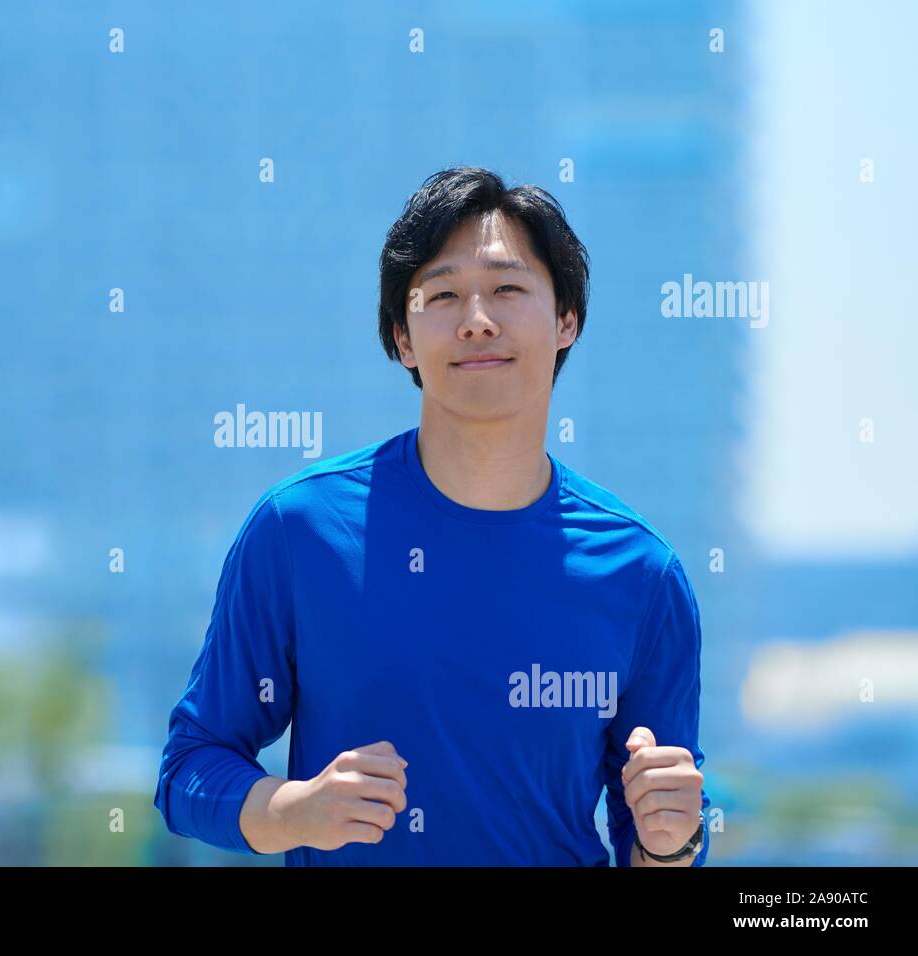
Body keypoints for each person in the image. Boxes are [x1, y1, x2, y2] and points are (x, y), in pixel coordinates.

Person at [153, 166, 710, 866]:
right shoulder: (300, 531)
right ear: (403, 339)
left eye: (509, 288)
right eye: (442, 295)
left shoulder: (643, 574)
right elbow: (188, 770)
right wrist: (295, 810)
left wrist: (670, 846)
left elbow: (661, 835)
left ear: (566, 319)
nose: (478, 319)